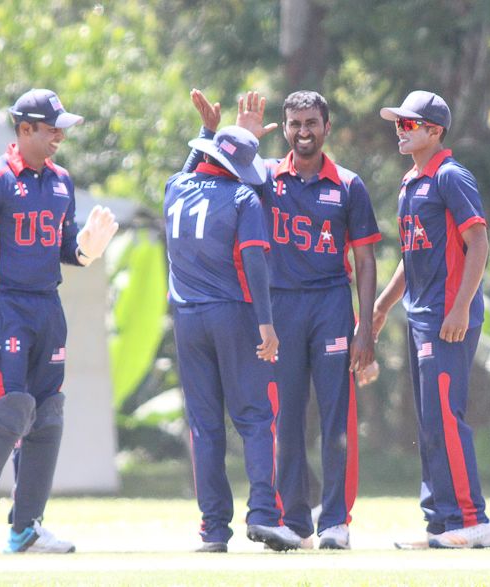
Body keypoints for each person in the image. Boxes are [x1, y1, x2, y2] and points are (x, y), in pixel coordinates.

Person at [187, 89, 380, 549]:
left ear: (326, 127)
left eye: (312, 123)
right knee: (285, 418)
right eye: (295, 124)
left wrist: (366, 327)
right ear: (285, 128)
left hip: (332, 305)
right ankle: (295, 521)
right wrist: (228, 135)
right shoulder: (265, 176)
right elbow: (203, 180)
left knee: (336, 417)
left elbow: (367, 261)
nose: (303, 132)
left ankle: (335, 520)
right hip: (280, 309)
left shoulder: (348, 185)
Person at [0, 89, 118, 553]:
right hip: (3, 306)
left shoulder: (61, 180)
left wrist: (86, 250)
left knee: (47, 412)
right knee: (10, 406)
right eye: (51, 127)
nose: (59, 135)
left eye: (61, 127)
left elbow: (65, 249)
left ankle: (26, 526)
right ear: (25, 130)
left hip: (47, 306)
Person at [166, 124, 303, 553]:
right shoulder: (244, 198)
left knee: (205, 427)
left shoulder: (175, 187)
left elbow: (189, 166)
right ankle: (263, 515)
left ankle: (212, 530)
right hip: (232, 314)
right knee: (255, 419)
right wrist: (266, 323)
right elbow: (254, 261)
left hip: (186, 319)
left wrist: (208, 130)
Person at [373, 91, 490, 549]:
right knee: (429, 422)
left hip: (449, 316)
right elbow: (413, 254)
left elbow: (478, 243)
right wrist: (382, 306)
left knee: (447, 417)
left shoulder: (450, 176)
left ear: (434, 131)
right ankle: (442, 524)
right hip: (421, 315)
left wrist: (462, 307)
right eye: (399, 124)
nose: (401, 130)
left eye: (410, 124)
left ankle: (472, 520)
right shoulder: (412, 182)